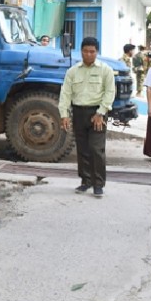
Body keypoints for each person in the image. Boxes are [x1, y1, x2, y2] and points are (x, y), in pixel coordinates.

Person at [59, 37, 116, 198]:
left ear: (97, 52)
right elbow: (65, 93)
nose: (89, 55)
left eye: (92, 51)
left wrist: (101, 113)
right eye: (85, 51)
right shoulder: (72, 71)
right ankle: (86, 181)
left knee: (96, 149)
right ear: (81, 51)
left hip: (97, 114)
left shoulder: (106, 70)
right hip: (78, 113)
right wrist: (64, 114)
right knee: (82, 149)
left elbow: (110, 93)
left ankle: (98, 184)